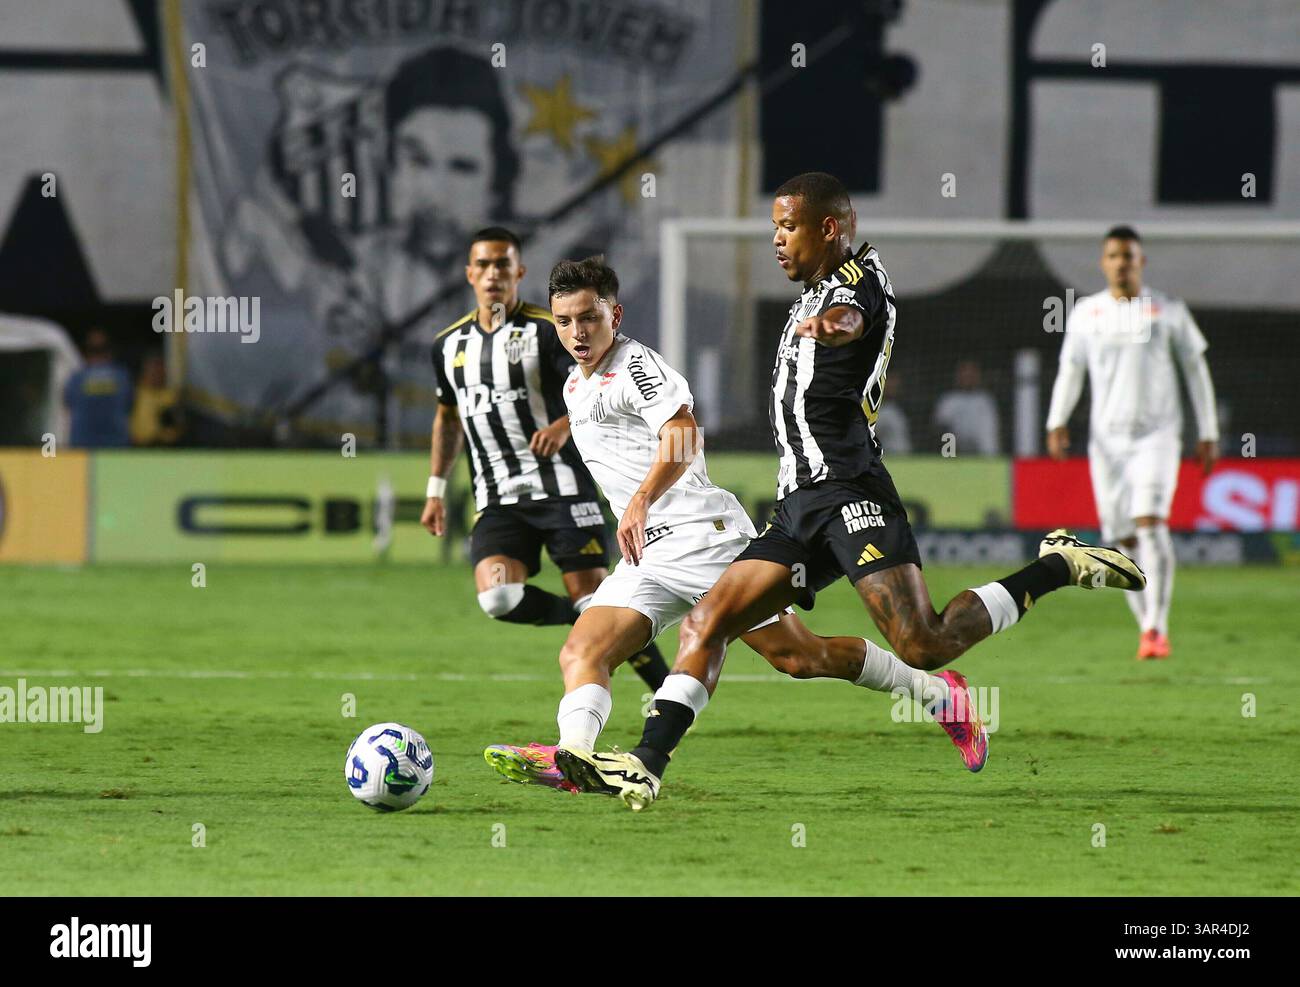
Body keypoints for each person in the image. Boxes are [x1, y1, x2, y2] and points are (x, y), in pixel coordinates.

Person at [556, 173, 1145, 810]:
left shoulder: (857, 284)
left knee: (924, 643)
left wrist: (831, 326)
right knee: (712, 623)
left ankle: (1059, 566)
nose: (778, 242)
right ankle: (645, 764)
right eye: (774, 229)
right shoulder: (811, 290)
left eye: (788, 228)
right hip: (798, 505)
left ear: (829, 229)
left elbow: (854, 317)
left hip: (850, 492)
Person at [484, 256, 986, 793]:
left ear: (616, 314)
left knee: (799, 657)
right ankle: (574, 758)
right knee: (582, 651)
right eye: (564, 321)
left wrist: (641, 500)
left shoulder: (636, 367)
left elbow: (682, 433)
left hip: (703, 538)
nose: (577, 332)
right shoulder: (574, 387)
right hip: (645, 556)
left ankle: (938, 693)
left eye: (589, 317)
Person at [421, 228, 669, 689]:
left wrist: (561, 426)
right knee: (498, 597)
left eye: (503, 264)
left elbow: (595, 383)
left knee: (598, 599)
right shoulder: (447, 346)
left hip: (562, 489)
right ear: (469, 273)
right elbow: (447, 418)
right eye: (484, 264)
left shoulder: (549, 329)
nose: (493, 274)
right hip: (497, 496)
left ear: (519, 271)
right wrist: (436, 488)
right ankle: (581, 617)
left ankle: (665, 689)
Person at [1045, 225, 1219, 660]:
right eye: (1114, 256)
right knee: (1121, 537)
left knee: (1150, 523)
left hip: (1158, 437)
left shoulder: (1167, 310)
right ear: (1104, 263)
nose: (1122, 263)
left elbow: (1196, 370)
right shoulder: (1087, 313)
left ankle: (1157, 626)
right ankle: (1147, 627)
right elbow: (1071, 371)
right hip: (1107, 443)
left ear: (1142, 261)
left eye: (1129, 256)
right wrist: (1057, 420)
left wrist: (1209, 429)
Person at [64, 328, 132, 448]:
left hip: (83, 447)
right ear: (110, 351)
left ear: (85, 352)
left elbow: (67, 403)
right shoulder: (122, 377)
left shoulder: (76, 379)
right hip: (116, 445)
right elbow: (130, 404)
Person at [933, 360, 1000, 454]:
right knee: (946, 433)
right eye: (964, 373)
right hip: (955, 448)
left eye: (971, 373)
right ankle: (948, 464)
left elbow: (993, 431)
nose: (968, 376)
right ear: (958, 375)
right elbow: (939, 427)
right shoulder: (948, 399)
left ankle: (990, 463)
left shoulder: (985, 399)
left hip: (981, 450)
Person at [129, 352, 182, 446]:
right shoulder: (134, 392)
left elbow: (178, 425)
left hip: (163, 447)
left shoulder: (171, 396)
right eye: (152, 370)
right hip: (136, 447)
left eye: (159, 371)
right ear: (145, 371)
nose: (156, 375)